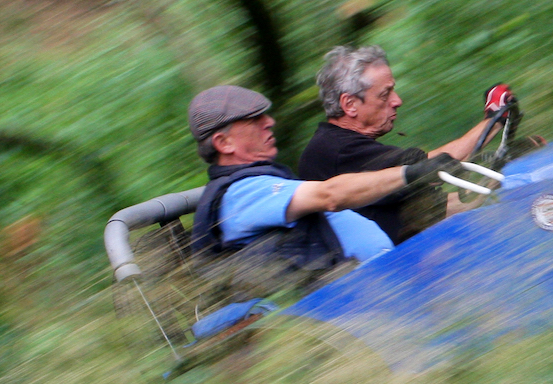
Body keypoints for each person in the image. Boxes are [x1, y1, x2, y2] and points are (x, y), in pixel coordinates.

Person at [187, 83, 458, 279]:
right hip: (348, 306)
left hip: (377, 283)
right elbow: (330, 195)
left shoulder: (256, 183)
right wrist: (409, 173)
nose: (269, 122)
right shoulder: (241, 193)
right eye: (254, 119)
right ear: (224, 142)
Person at [297, 45, 515, 242]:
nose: (397, 101)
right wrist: (495, 118)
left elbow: (435, 208)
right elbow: (430, 166)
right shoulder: (336, 150)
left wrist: (504, 177)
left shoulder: (342, 149)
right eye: (385, 94)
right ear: (350, 104)